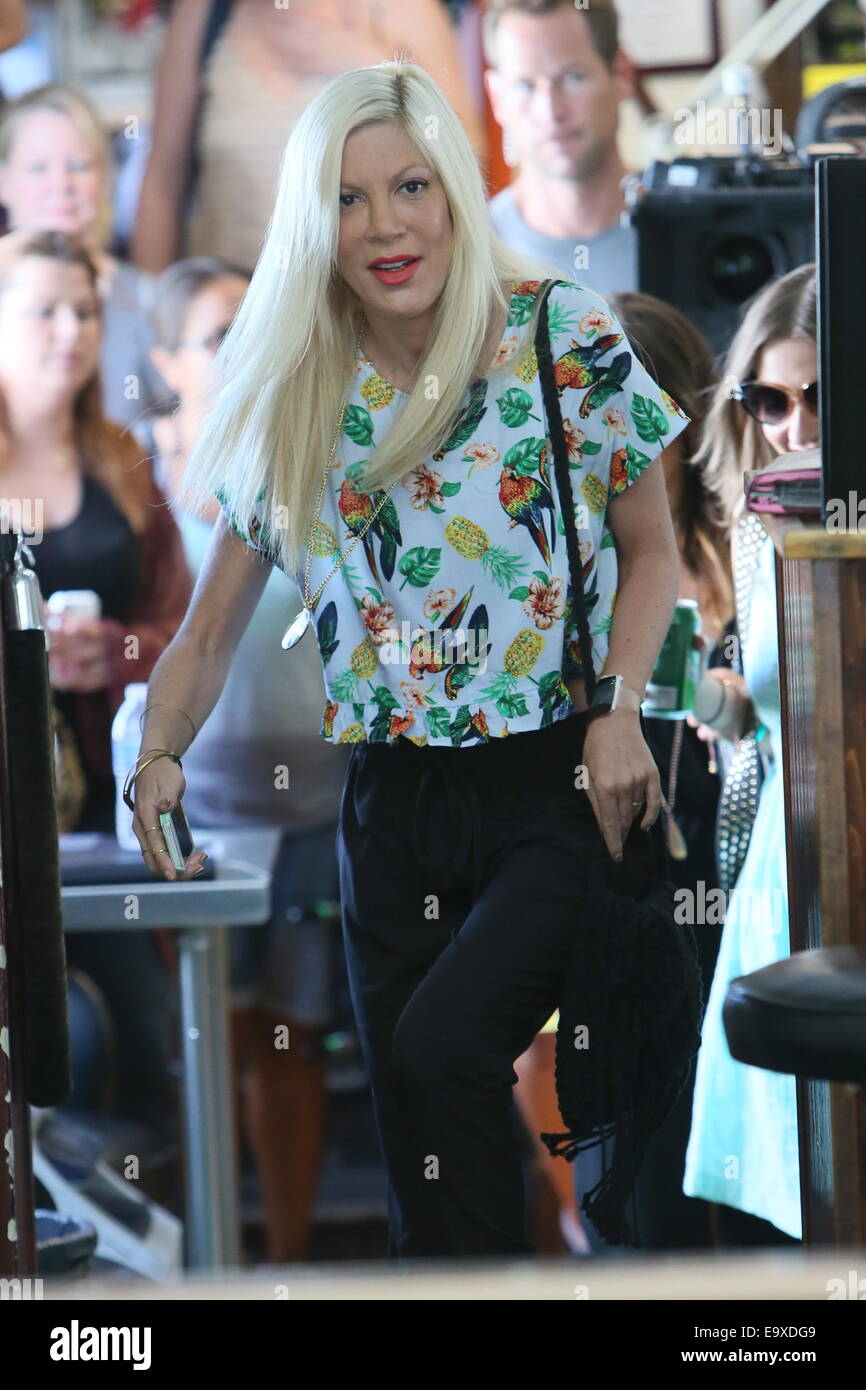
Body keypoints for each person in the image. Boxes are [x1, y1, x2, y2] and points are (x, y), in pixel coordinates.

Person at [125, 59, 691, 1261]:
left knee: (442, 1050)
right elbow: (208, 632)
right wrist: (157, 753)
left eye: (411, 186)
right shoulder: (295, 389)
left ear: (454, 193)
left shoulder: (560, 332)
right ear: (311, 223)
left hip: (555, 781)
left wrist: (619, 709)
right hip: (387, 803)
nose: (384, 224)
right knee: (417, 1156)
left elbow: (654, 552)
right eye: (346, 199)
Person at [515, 292, 734, 1254]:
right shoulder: (549, 568)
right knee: (633, 1209)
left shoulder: (746, 554)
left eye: (640, 418)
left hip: (734, 903)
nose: (615, 446)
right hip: (612, 911)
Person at [149, 255, 349, 1262]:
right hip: (195, 814)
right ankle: (206, 1257)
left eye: (250, 329)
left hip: (311, 808)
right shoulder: (142, 489)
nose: (238, 351)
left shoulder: (304, 460)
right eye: (214, 335)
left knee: (291, 1041)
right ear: (166, 360)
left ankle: (287, 1259)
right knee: (202, 1042)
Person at [0, 228, 192, 1139]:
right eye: (44, 310)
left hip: (105, 817)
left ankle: (132, 1218)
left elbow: (182, 633)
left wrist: (112, 653)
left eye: (84, 311)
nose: (70, 331)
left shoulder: (121, 459)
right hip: (13, 817)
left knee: (146, 1052)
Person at [683, 264, 818, 1246]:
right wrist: (712, 699)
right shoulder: (753, 524)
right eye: (768, 401)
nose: (793, 425)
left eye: (817, 395)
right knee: (780, 1163)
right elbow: (758, 717)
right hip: (778, 849)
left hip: (838, 838)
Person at [132, 0, 485, 275]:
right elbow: (162, 182)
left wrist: (371, 64)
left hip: (357, 306)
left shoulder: (400, 9)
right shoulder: (204, 13)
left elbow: (466, 160)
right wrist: (153, 315)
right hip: (229, 318)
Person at [0, 83, 163, 439]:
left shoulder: (148, 299)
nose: (62, 184)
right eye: (38, 168)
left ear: (105, 178)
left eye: (79, 166)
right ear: (4, 180)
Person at [482, 0, 638, 299]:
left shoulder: (692, 233)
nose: (551, 111)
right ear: (497, 96)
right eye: (526, 85)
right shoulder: (471, 253)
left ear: (622, 74)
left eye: (573, 77)